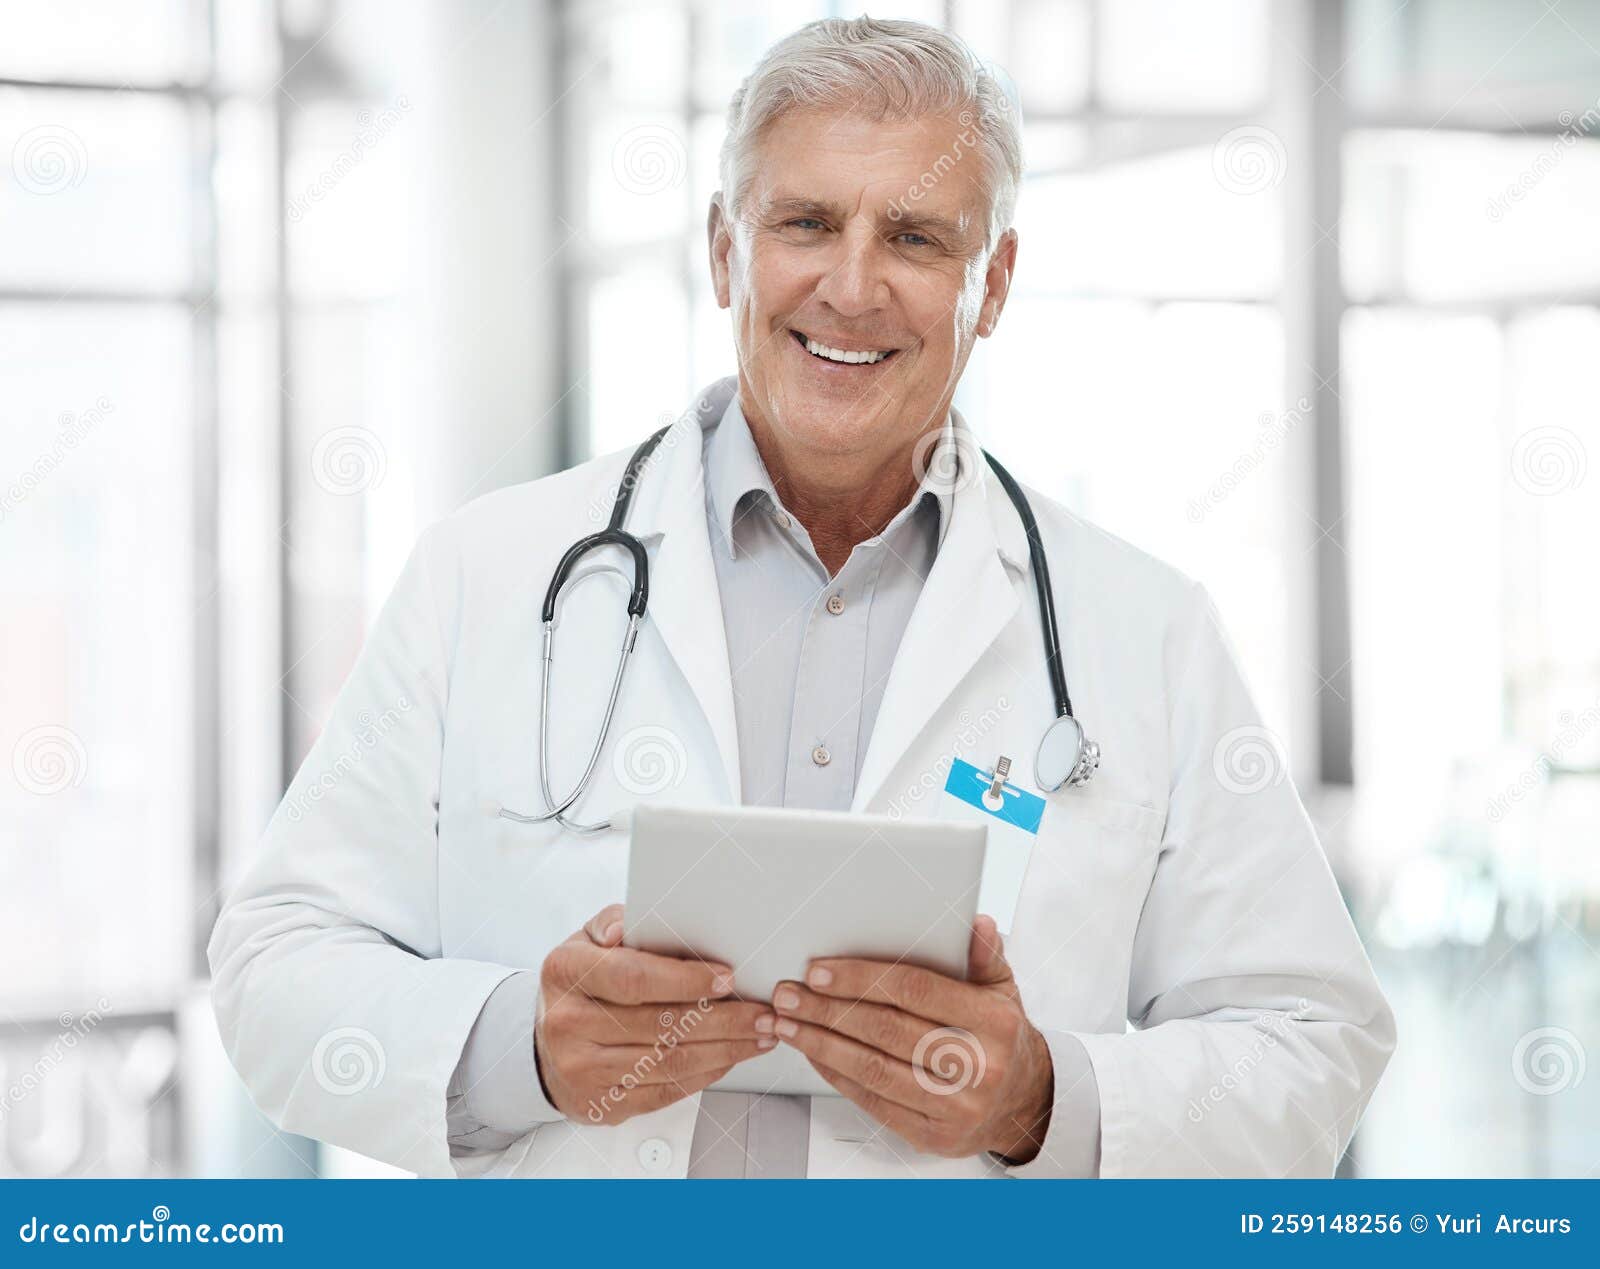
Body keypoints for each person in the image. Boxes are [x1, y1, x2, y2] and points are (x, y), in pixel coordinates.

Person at [209, 16, 1394, 1179]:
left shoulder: (1145, 633)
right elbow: (274, 968)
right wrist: (517, 1049)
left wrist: (1041, 1096)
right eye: (807, 223)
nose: (853, 284)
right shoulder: (485, 575)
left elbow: (1312, 1052)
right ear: (725, 249)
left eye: (919, 237)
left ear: (993, 285)